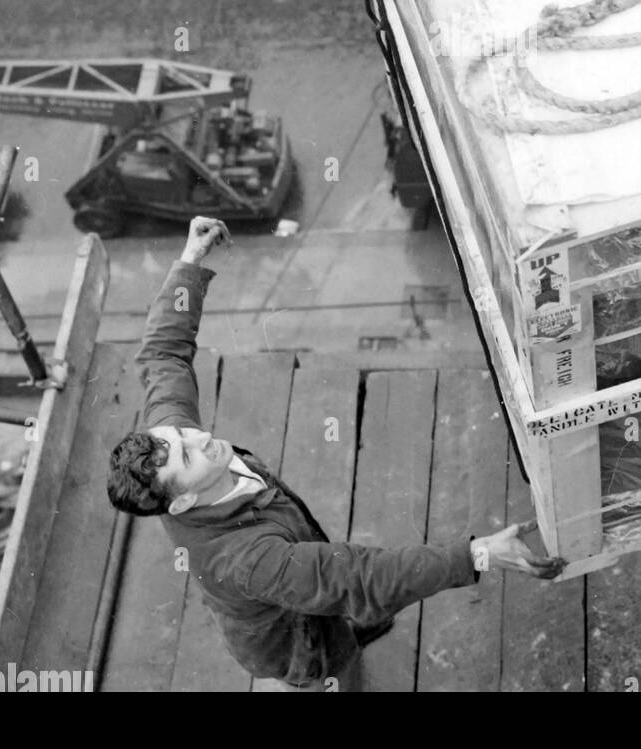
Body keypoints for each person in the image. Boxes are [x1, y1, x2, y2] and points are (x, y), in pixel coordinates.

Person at [107, 216, 561, 690]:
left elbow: (164, 355)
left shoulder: (170, 440)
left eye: (179, 436)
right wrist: (478, 554)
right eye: (188, 457)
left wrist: (188, 262)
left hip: (280, 577)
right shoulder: (248, 560)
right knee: (331, 672)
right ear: (178, 504)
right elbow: (359, 577)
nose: (197, 438)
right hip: (294, 643)